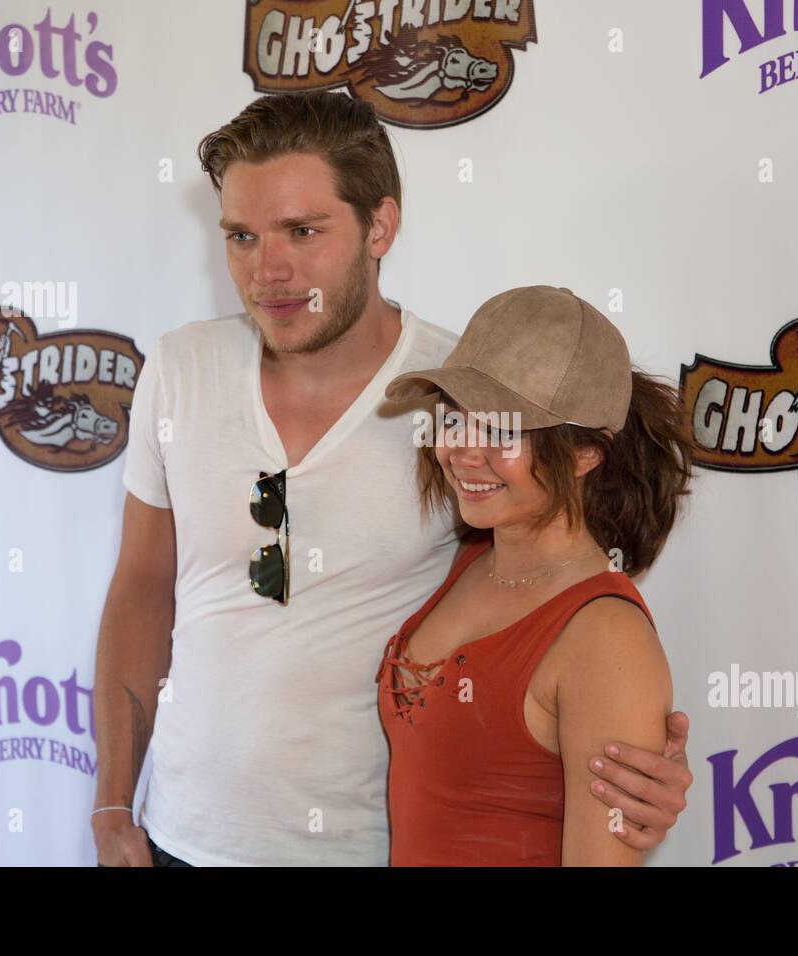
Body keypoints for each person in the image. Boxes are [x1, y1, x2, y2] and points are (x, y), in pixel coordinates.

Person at [91, 91, 694, 867]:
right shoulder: (179, 368)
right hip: (175, 840)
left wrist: (626, 766)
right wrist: (114, 802)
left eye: (302, 231)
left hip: (367, 851)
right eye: (241, 236)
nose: (267, 270)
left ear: (380, 226)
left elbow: (562, 600)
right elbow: (143, 585)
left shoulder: (459, 397)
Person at [376, 286, 692, 865]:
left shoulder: (606, 639)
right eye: (455, 419)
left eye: (501, 430)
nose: (463, 451)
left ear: (585, 453)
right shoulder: (472, 558)